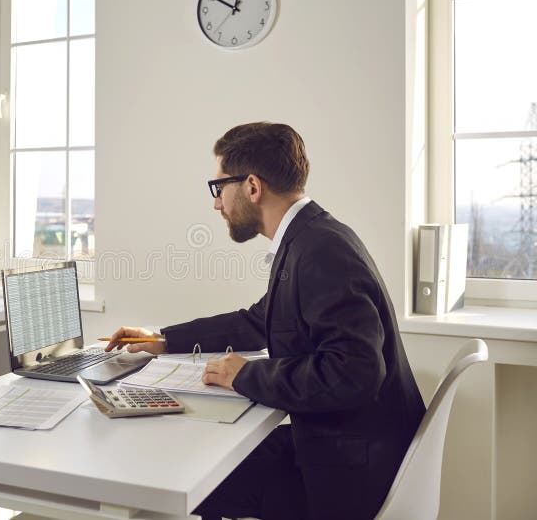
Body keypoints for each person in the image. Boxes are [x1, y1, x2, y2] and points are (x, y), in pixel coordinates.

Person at [105, 122, 426, 520]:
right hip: (347, 444)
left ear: (253, 186)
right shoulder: (309, 237)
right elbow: (259, 320)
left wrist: (245, 374)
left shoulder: (320, 250)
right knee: (201, 463)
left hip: (348, 470)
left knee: (189, 477)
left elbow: (355, 373)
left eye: (219, 188)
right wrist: (164, 340)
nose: (217, 204)